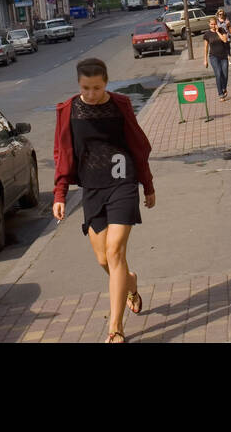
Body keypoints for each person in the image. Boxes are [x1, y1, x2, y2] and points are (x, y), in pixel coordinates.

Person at [52, 58, 155, 343]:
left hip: (123, 180)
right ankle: (130, 283)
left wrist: (147, 184)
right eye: (86, 88)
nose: (91, 94)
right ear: (78, 84)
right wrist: (59, 193)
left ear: (106, 83)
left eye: (97, 88)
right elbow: (62, 153)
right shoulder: (68, 109)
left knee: (114, 252)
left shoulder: (119, 104)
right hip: (93, 187)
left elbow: (137, 145)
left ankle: (116, 328)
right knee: (102, 259)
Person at [203, 9, 231, 100]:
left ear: (217, 23)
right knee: (218, 73)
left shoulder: (222, 30)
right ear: (209, 24)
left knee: (225, 74)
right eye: (211, 24)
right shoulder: (207, 34)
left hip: (223, 55)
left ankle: (224, 88)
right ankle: (220, 93)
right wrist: (205, 60)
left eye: (214, 24)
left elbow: (224, 40)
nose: (213, 26)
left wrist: (217, 31)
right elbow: (206, 47)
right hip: (213, 56)